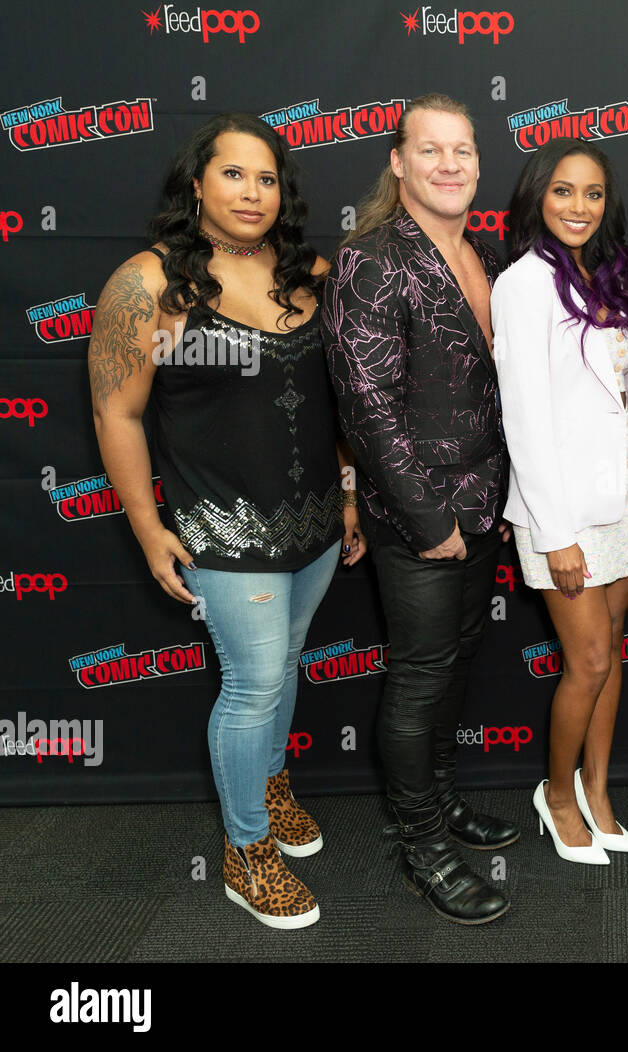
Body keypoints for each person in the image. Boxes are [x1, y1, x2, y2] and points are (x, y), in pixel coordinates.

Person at [88, 112, 366, 929]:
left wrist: (348, 491)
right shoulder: (147, 284)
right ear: (198, 183)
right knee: (253, 686)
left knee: (284, 662)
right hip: (222, 530)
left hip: (314, 523)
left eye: (268, 177)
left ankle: (272, 788)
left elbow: (342, 400)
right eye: (235, 174)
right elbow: (117, 413)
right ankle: (248, 854)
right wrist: (147, 528)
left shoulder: (310, 270)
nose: (253, 191)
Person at [323, 94, 515, 926]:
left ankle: (440, 804)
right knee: (421, 676)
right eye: (430, 150)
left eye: (462, 151)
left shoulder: (483, 251)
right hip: (421, 515)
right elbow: (367, 409)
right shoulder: (372, 258)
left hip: (483, 502)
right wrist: (427, 516)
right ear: (398, 163)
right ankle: (422, 843)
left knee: (459, 660)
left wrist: (501, 496)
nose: (449, 164)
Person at [492, 139, 628, 865]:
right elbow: (522, 418)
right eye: (562, 191)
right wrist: (553, 532)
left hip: (622, 503)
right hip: (561, 515)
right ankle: (557, 794)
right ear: (537, 197)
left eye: (591, 193)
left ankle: (599, 789)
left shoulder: (606, 279)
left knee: (611, 654)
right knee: (587, 661)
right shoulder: (523, 284)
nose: (577, 206)